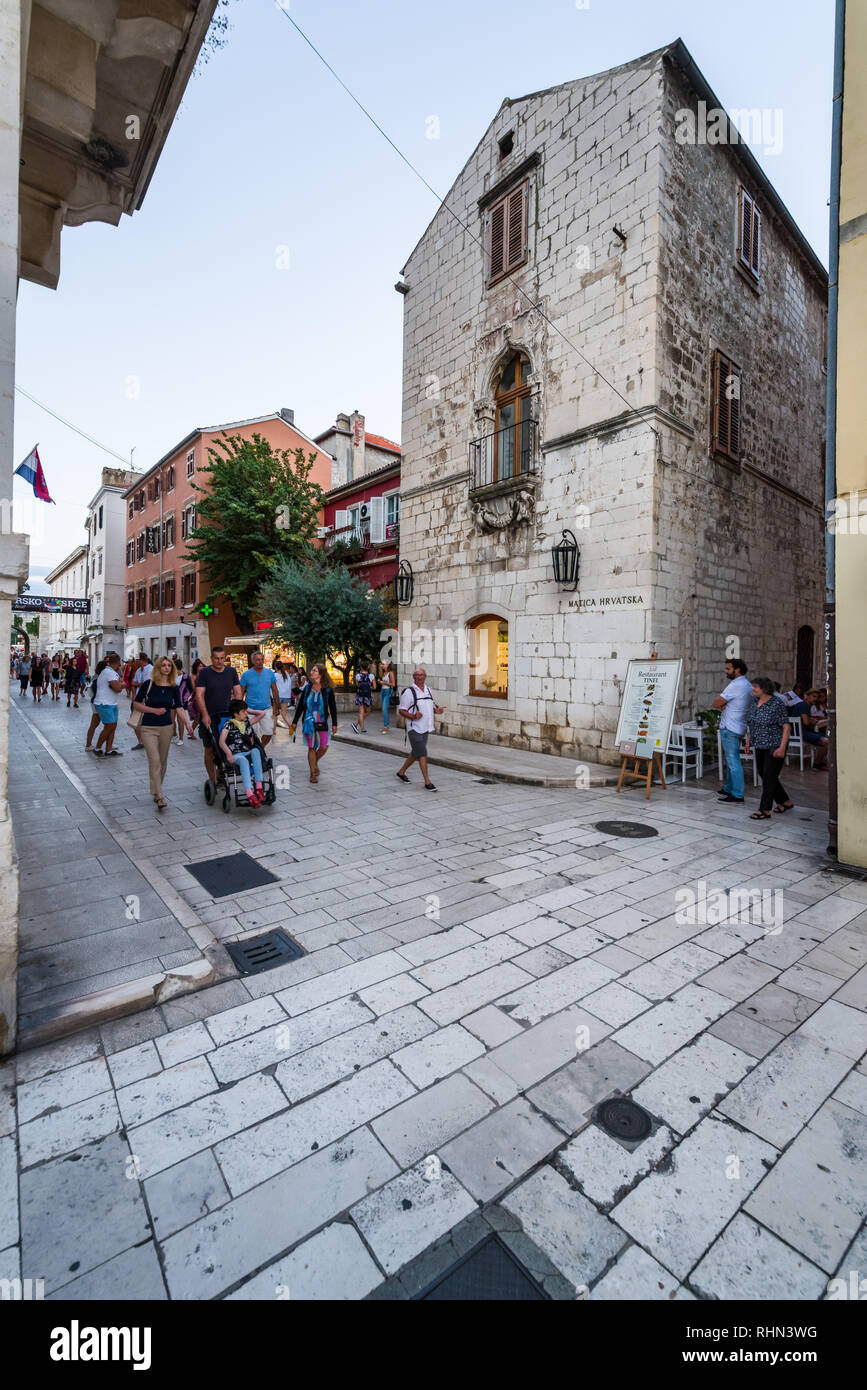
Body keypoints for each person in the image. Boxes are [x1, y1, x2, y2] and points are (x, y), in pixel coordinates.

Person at [133, 655, 182, 810]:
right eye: (164, 665)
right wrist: (153, 710)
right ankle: (160, 796)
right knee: (154, 760)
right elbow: (136, 704)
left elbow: (179, 706)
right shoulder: (149, 684)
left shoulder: (174, 686)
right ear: (158, 668)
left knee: (162, 761)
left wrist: (187, 724)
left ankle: (155, 789)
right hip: (148, 727)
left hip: (167, 727)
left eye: (169, 665)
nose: (167, 668)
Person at [744, 676, 793, 819]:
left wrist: (782, 748)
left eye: (755, 687)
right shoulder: (755, 702)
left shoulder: (776, 704)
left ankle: (765, 809)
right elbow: (751, 724)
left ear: (765, 689)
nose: (753, 689)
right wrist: (748, 742)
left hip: (774, 745)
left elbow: (786, 726)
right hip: (759, 744)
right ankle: (785, 801)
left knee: (769, 776)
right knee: (764, 773)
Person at [195, 646, 242, 784]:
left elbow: (238, 692)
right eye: (216, 658)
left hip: (226, 716)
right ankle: (212, 779)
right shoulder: (204, 673)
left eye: (222, 658)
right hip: (209, 716)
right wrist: (204, 714)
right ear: (211, 658)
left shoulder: (231, 672)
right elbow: (199, 695)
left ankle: (220, 773)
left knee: (225, 746)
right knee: (209, 748)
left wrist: (237, 712)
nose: (219, 661)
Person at [712, 657, 753, 805]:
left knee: (733, 761)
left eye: (728, 669)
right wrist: (725, 705)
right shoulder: (747, 685)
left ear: (737, 670)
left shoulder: (735, 685)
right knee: (731, 760)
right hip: (738, 726)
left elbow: (716, 703)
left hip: (730, 727)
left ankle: (737, 794)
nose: (726, 671)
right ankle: (728, 788)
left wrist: (724, 706)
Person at [396, 667, 445, 791]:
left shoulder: (428, 690)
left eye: (422, 675)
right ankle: (427, 782)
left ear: (425, 676)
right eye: (417, 675)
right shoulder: (409, 692)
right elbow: (401, 710)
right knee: (422, 753)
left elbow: (428, 707)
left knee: (416, 752)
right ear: (414, 677)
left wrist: (436, 711)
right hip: (414, 728)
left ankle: (401, 772)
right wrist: (412, 716)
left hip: (426, 727)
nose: (419, 677)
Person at [290, 662, 338, 783]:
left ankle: (314, 762)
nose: (311, 672)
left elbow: (332, 707)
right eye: (312, 670)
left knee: (324, 747)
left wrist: (334, 723)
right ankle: (312, 773)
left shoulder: (328, 690)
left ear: (321, 673)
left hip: (322, 722)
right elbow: (300, 706)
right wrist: (295, 722)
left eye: (314, 670)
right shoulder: (307, 689)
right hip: (309, 723)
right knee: (311, 748)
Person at [219, 698, 266, 806]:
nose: (246, 714)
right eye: (243, 712)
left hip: (246, 752)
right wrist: (228, 753)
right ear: (236, 714)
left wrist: (247, 710)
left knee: (255, 751)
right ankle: (250, 794)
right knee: (243, 760)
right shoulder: (228, 724)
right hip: (235, 755)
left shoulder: (246, 723)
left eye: (246, 711)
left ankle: (259, 788)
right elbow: (221, 741)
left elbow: (262, 714)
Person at [239, 650, 278, 749]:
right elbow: (241, 692)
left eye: (261, 660)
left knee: (269, 732)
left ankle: (261, 747)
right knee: (251, 734)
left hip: (266, 709)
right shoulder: (246, 675)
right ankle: (255, 751)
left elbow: (275, 690)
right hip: (250, 710)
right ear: (253, 661)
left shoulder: (269, 673)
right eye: (257, 660)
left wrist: (277, 707)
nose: (260, 662)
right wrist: (239, 709)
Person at [91, 653, 124, 757]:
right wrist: (123, 685)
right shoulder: (109, 673)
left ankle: (108, 750)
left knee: (112, 726)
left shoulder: (110, 672)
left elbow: (116, 686)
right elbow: (118, 688)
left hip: (111, 702)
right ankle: (98, 748)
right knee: (109, 726)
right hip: (104, 703)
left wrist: (120, 684)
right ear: (118, 662)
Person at [130, 654, 153, 749]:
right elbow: (133, 683)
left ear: (142, 660)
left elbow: (147, 685)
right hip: (138, 699)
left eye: (137, 660)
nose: (135, 662)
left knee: (147, 722)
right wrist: (134, 695)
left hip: (148, 699)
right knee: (134, 721)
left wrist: (138, 684)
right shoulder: (139, 670)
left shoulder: (150, 669)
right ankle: (141, 741)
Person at [173, 659, 196, 746]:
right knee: (172, 720)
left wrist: (186, 697)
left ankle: (181, 739)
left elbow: (190, 689)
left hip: (181, 702)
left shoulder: (185, 677)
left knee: (180, 720)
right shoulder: (171, 676)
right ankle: (174, 735)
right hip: (171, 702)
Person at [351, 660, 375, 733]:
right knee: (367, 711)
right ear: (368, 667)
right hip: (368, 696)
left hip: (360, 695)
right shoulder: (371, 676)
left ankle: (356, 724)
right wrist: (369, 688)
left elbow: (358, 685)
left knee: (361, 712)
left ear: (360, 667)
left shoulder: (358, 676)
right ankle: (362, 728)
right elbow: (374, 687)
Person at [273, 661, 295, 731]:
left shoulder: (274, 675)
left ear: (276, 667)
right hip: (286, 696)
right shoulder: (287, 674)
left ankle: (274, 731)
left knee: (275, 713)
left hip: (277, 696)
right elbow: (289, 685)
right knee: (284, 714)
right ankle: (290, 726)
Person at [379, 661, 396, 732]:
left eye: (383, 664)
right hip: (382, 691)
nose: (382, 665)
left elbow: (393, 684)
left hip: (388, 692)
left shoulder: (390, 673)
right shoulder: (384, 673)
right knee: (383, 709)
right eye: (382, 664)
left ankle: (386, 726)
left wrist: (384, 682)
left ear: (387, 664)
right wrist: (380, 682)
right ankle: (386, 725)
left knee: (384, 709)